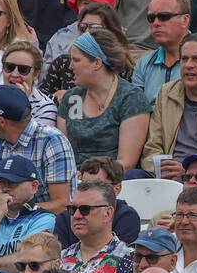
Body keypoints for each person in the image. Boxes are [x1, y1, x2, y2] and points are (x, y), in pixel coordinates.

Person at [0, 84, 77, 216]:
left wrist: (16, 211)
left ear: (1, 121)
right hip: (7, 218)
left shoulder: (52, 141)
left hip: (45, 223)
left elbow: (62, 205)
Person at [57, 27, 152, 170]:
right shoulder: (71, 98)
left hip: (113, 182)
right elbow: (62, 156)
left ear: (97, 63)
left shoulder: (130, 98)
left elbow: (126, 162)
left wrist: (88, 175)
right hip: (73, 179)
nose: (70, 66)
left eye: (76, 60)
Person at [140, 35, 197, 176]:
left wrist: (190, 171)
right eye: (184, 59)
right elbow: (152, 145)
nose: (188, 65)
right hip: (167, 174)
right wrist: (163, 168)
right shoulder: (166, 92)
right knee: (132, 177)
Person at [59, 177, 135, 273]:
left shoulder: (129, 260)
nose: (76, 216)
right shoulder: (60, 258)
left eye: (85, 209)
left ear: (108, 213)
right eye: (72, 209)